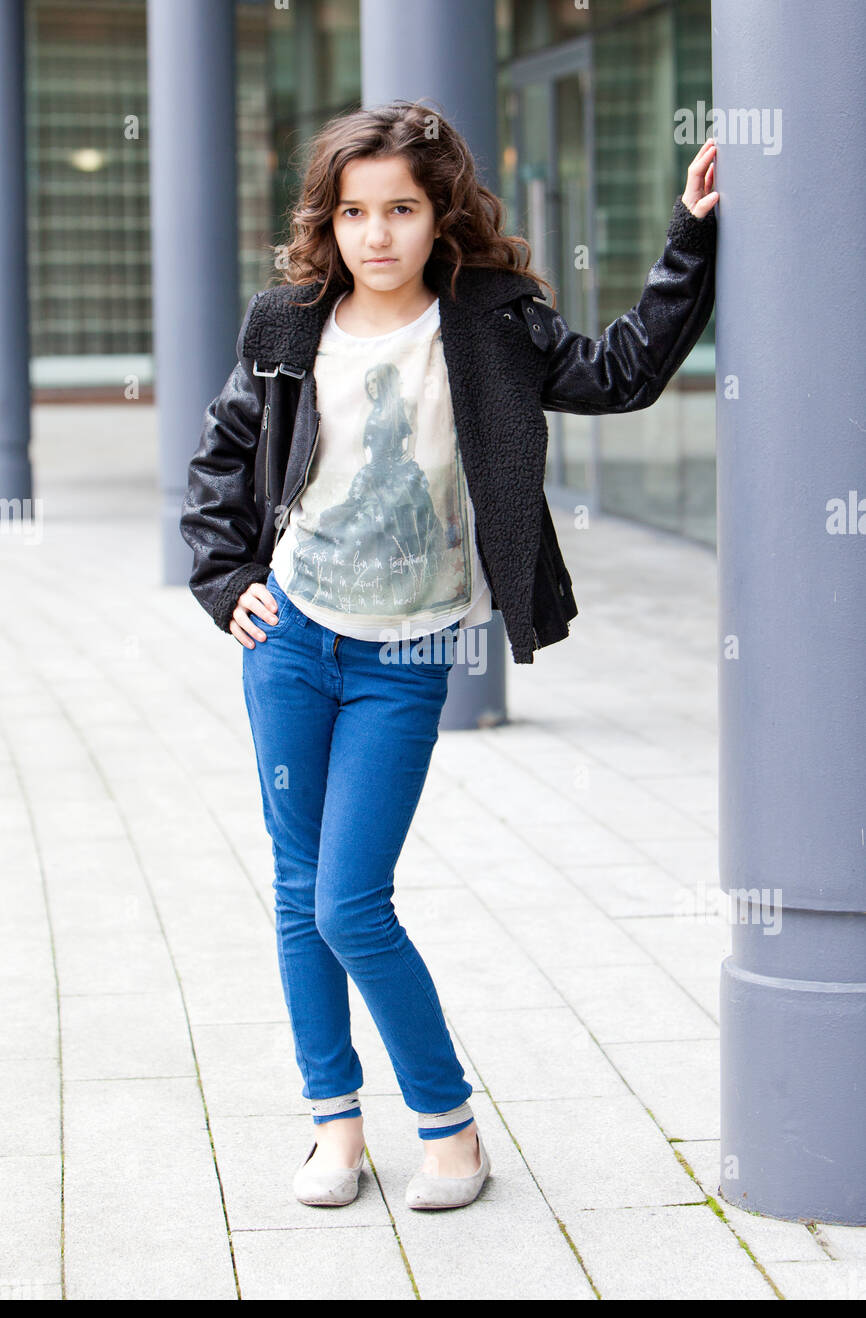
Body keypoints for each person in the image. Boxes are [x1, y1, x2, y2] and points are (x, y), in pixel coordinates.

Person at [179, 100, 718, 1211]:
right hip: (290, 640)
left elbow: (620, 373)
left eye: (401, 210)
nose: (376, 234)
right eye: (354, 211)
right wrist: (227, 582)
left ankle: (450, 1129)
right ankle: (333, 1128)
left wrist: (691, 237)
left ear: (440, 217)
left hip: (405, 654)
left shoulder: (489, 324)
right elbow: (223, 457)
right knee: (295, 890)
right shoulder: (286, 325)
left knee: (348, 902)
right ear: (327, 221)